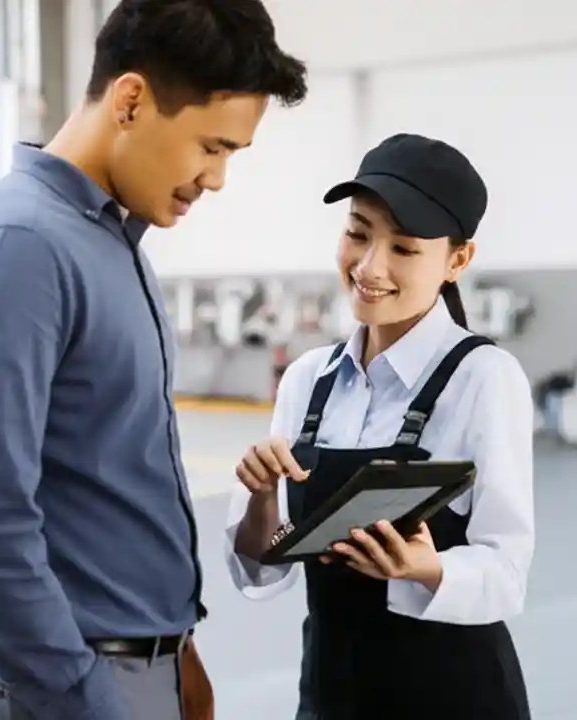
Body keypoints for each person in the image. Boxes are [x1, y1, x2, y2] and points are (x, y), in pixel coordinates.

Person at [0, 1, 308, 718]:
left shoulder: (109, 241)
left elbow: (113, 478)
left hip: (136, 663)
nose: (217, 178)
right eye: (212, 146)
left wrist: (172, 647)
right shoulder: (20, 248)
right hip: (66, 682)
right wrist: (83, 697)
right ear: (131, 100)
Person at [224, 133, 535, 720]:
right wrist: (263, 500)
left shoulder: (484, 379)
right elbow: (263, 571)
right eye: (358, 233)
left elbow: (507, 571)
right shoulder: (307, 381)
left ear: (458, 260)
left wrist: (426, 566)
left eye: (404, 248)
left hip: (455, 700)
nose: (370, 267)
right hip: (331, 696)